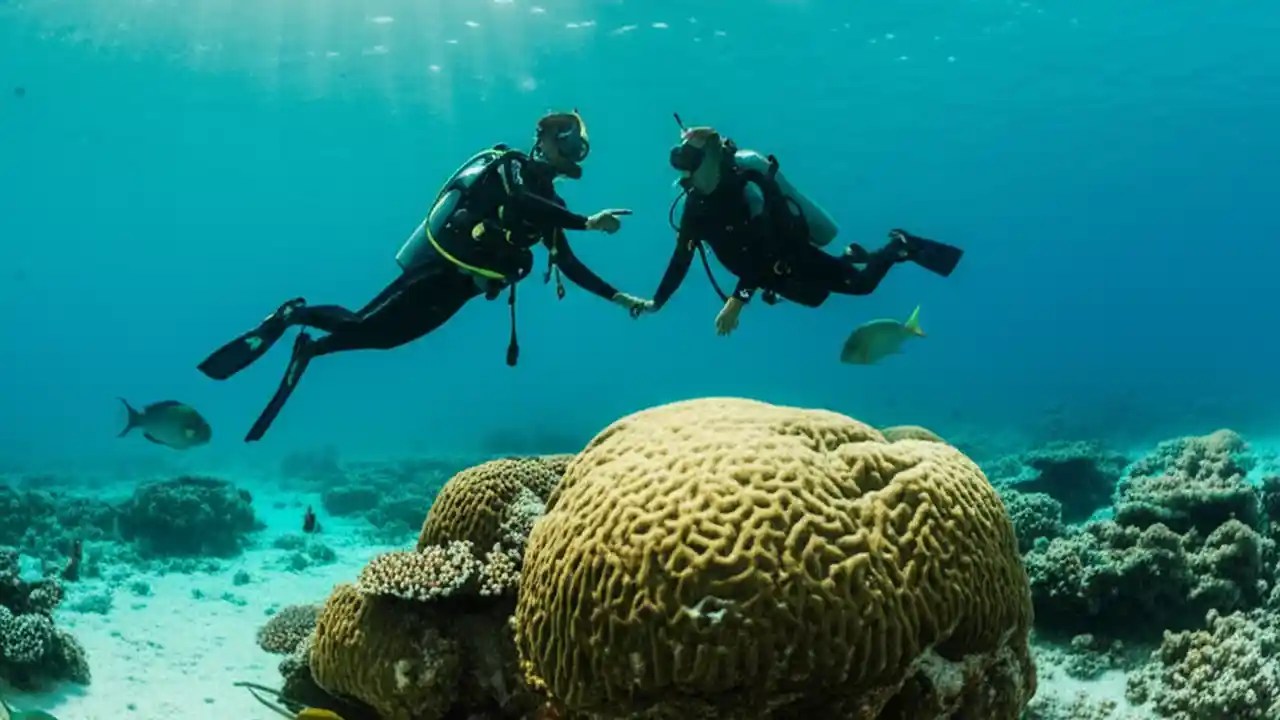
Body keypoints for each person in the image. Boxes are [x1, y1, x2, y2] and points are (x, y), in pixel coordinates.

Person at [197, 110, 652, 442]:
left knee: (385, 338)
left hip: (460, 291)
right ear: (544, 139)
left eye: (579, 144)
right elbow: (520, 203)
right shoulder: (512, 168)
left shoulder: (552, 202)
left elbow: (569, 266)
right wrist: (588, 222)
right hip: (437, 269)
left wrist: (621, 298)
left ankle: (313, 347)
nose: (573, 150)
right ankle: (295, 316)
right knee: (365, 324)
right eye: (567, 139)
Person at [641, 119, 963, 335]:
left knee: (863, 286)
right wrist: (658, 301)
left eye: (688, 166)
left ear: (710, 161)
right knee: (817, 298)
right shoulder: (694, 207)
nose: (682, 177)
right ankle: (850, 257)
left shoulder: (748, 187)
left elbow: (764, 251)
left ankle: (898, 245)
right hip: (765, 276)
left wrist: (738, 300)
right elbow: (681, 258)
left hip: (788, 256)